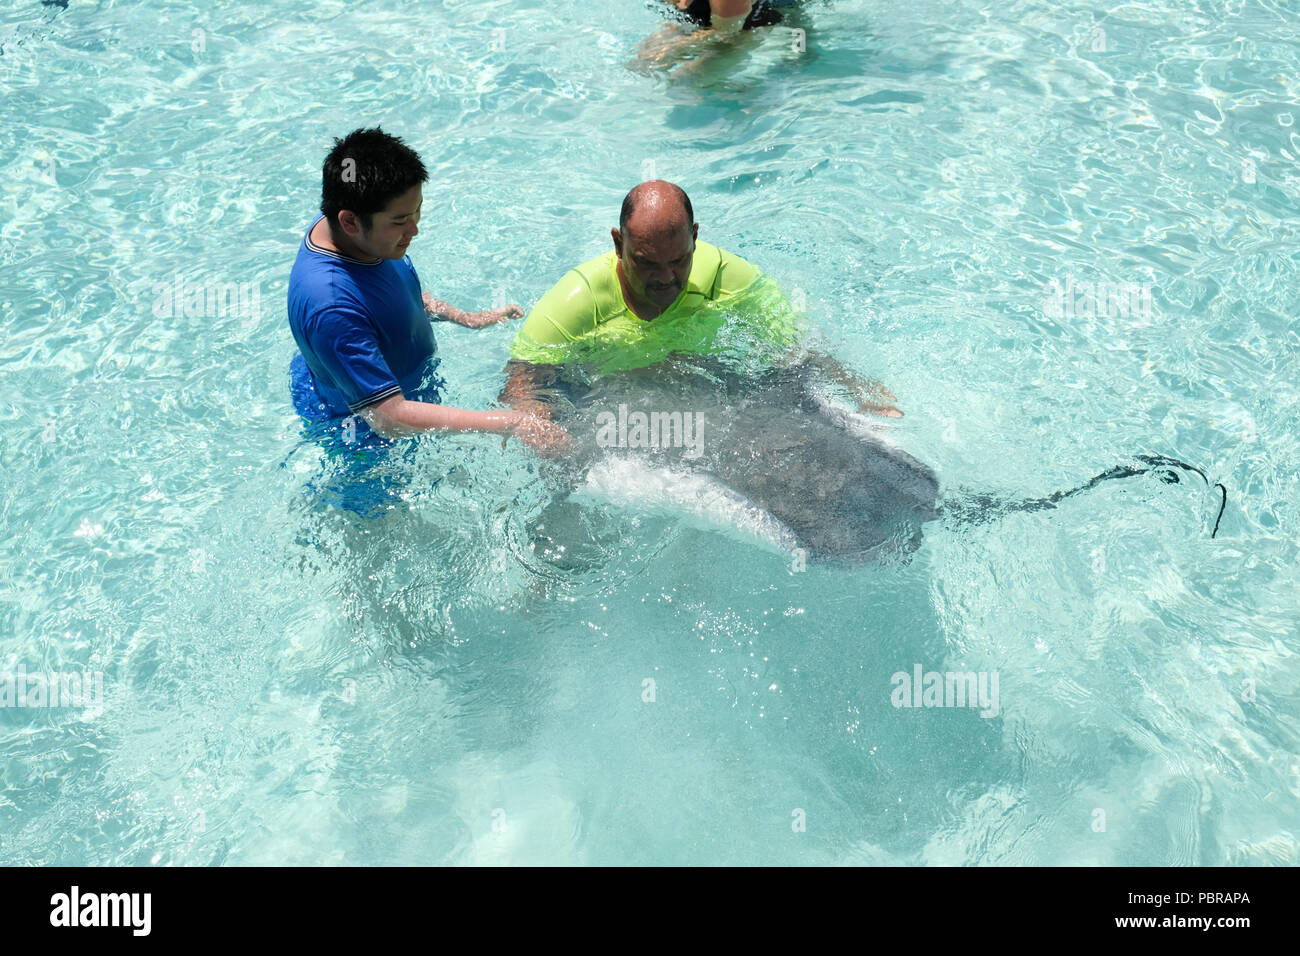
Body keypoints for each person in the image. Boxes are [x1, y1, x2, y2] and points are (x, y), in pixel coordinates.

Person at [287, 128, 570, 481]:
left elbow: (387, 295)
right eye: (401, 221)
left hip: (387, 383)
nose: (414, 230)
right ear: (350, 221)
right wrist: (508, 422)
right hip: (361, 433)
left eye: (416, 212)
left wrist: (465, 318)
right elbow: (387, 417)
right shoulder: (330, 306)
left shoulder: (355, 235)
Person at [501, 180, 902, 419]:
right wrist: (535, 422)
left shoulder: (730, 278)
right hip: (605, 393)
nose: (665, 278)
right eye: (646, 263)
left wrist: (862, 390)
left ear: (695, 235)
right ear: (617, 243)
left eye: (679, 260)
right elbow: (521, 377)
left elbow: (801, 347)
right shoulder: (578, 298)